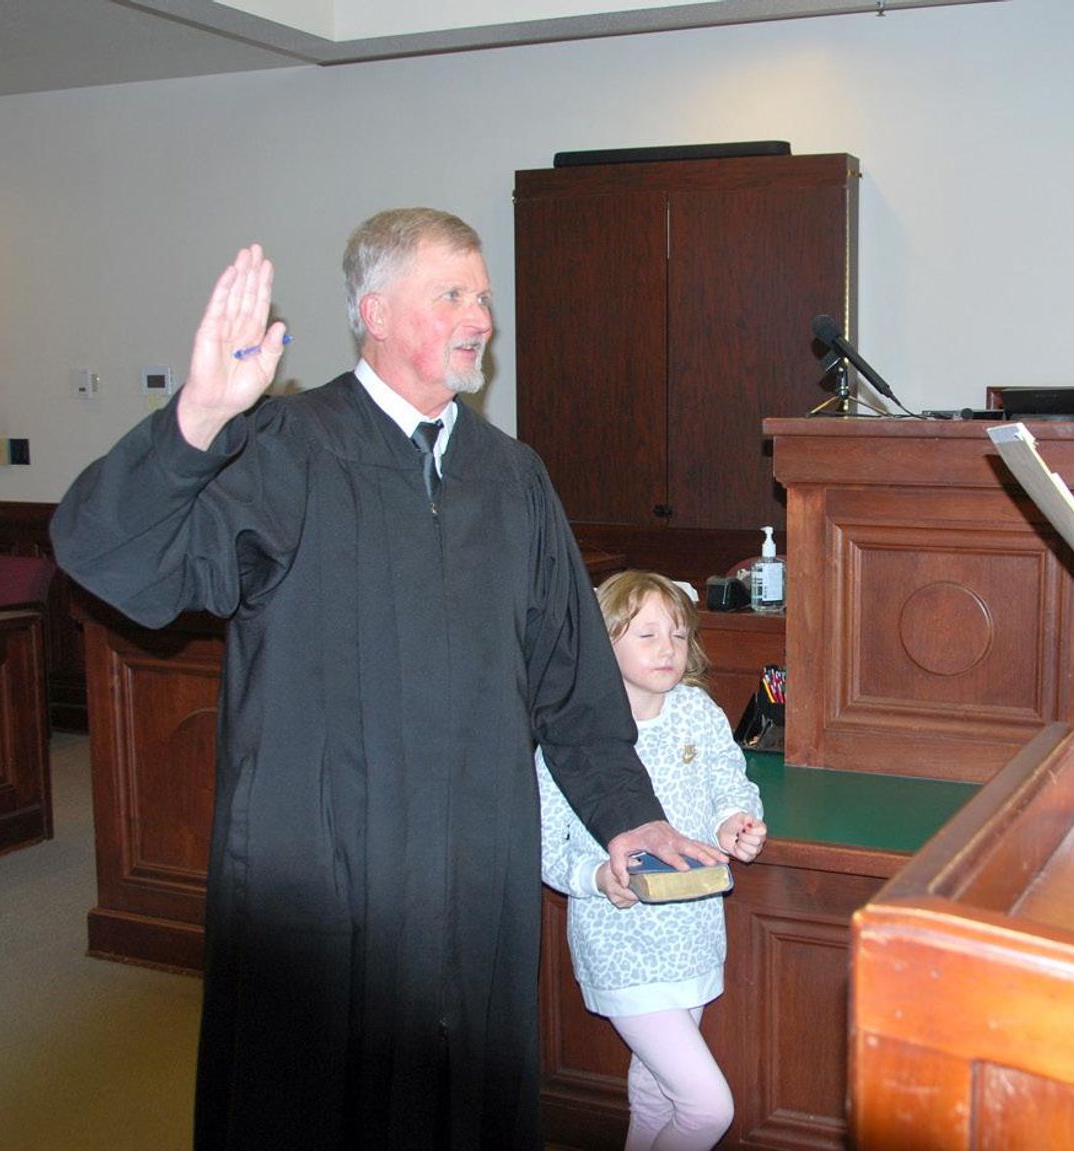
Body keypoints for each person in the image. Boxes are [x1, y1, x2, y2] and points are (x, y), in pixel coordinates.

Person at [49, 210, 725, 1151]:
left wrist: (628, 813)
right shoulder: (286, 448)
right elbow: (110, 555)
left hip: (472, 874)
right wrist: (198, 417)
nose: (480, 314)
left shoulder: (513, 478)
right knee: (319, 1101)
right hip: (325, 871)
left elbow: (573, 684)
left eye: (483, 296)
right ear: (374, 311)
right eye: (450, 293)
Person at [536, 571, 767, 1151]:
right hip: (622, 946)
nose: (667, 649)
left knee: (657, 1093)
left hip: (693, 935)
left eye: (679, 634)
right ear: (601, 642)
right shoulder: (571, 734)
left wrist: (734, 824)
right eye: (646, 634)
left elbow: (727, 781)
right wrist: (595, 878)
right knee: (707, 1106)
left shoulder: (697, 711)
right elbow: (545, 845)